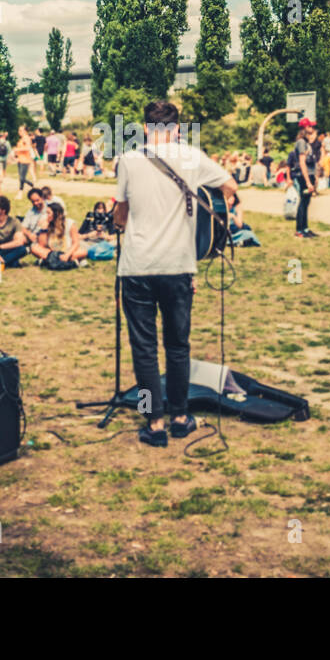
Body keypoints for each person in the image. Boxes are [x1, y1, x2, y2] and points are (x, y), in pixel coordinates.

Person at [113, 99, 237, 448]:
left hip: (138, 266)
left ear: (145, 128)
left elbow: (121, 214)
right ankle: (180, 417)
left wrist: (123, 219)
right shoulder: (193, 157)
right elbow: (230, 187)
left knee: (144, 349)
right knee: (178, 346)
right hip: (179, 266)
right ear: (177, 129)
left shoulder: (128, 160)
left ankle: (153, 422)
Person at [289, 118, 318, 239]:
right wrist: (307, 181)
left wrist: (314, 177)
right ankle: (299, 230)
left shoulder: (306, 143)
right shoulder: (301, 142)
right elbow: (302, 162)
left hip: (309, 175)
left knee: (306, 202)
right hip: (303, 176)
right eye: (310, 126)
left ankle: (305, 228)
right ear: (305, 128)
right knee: (303, 202)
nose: (312, 129)